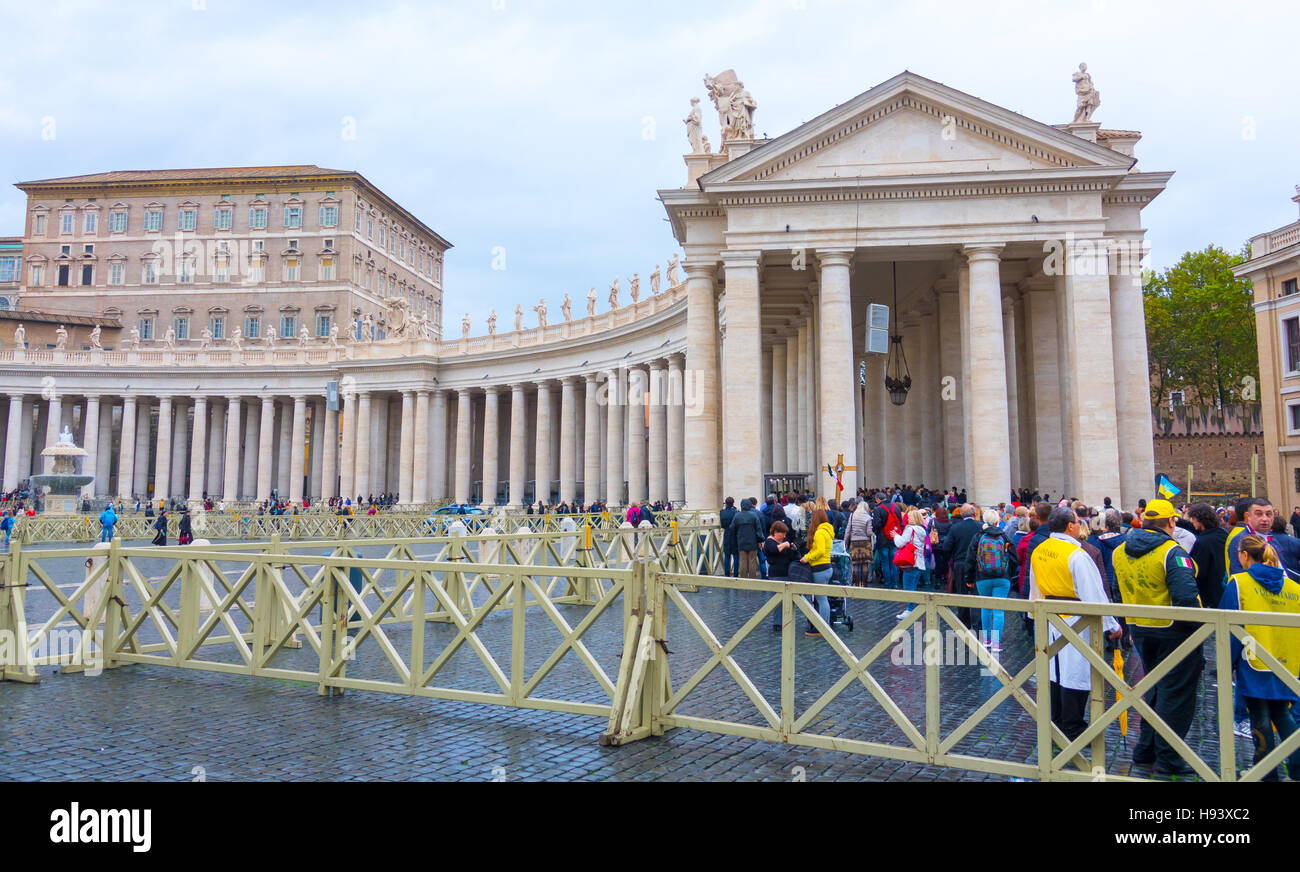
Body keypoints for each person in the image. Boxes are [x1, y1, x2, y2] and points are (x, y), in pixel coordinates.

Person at [1112, 499, 1203, 777]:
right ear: (1171, 523)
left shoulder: (1119, 551)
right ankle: (1170, 757)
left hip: (1140, 628)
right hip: (1174, 631)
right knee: (1176, 695)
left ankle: (1145, 750)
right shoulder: (1172, 552)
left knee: (1154, 689)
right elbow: (1187, 597)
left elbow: (1117, 590)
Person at [1029, 507, 1121, 744]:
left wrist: (1033, 615)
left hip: (1049, 619)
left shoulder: (1039, 550)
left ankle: (1056, 722)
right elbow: (1094, 594)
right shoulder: (1077, 554)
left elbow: (1035, 588)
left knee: (1055, 673)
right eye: (1079, 523)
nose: (1080, 526)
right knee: (1075, 674)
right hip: (1076, 619)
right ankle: (1073, 727)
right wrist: (1112, 625)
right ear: (1070, 526)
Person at [1220, 534, 1300, 781]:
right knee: (1282, 713)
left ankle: (1266, 772)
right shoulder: (1294, 587)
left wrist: (1228, 662)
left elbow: (1227, 626)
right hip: (1288, 658)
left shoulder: (1238, 583)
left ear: (1243, 556)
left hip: (1253, 659)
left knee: (1260, 716)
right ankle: (1297, 768)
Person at [966, 508, 1019, 652]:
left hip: (982, 577)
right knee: (999, 610)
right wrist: (1009, 574)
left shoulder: (978, 537)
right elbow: (1015, 558)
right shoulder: (1005, 537)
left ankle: (987, 640)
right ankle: (996, 644)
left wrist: (969, 578)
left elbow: (970, 559)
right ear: (997, 521)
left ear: (984, 520)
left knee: (985, 608)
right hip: (1002, 577)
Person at [943, 504, 983, 630]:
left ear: (961, 514)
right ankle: (978, 624)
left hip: (961, 564)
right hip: (978, 564)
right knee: (978, 594)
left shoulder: (955, 528)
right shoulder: (981, 526)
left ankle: (964, 624)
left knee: (962, 594)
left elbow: (947, 547)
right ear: (974, 514)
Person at [799, 508, 835, 638]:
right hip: (826, 567)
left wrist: (807, 557)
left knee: (821, 599)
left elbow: (819, 551)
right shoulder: (827, 531)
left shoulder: (819, 532)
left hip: (819, 568)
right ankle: (823, 624)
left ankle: (822, 627)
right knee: (822, 598)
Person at [893, 509, 928, 620]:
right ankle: (912, 608)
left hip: (911, 562)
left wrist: (895, 535)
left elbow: (900, 543)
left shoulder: (910, 529)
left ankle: (909, 610)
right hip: (919, 562)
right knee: (913, 586)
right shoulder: (922, 530)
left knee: (908, 587)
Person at [764, 521, 797, 630]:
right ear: (775, 532)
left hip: (787, 573)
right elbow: (773, 550)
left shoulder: (784, 542)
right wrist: (785, 545)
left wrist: (793, 549)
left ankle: (787, 621)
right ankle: (778, 623)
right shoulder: (769, 542)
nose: (784, 536)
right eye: (782, 534)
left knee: (788, 601)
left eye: (785, 534)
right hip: (776, 574)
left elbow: (791, 556)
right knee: (778, 601)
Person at [732, 498, 764, 579]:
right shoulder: (754, 515)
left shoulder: (737, 516)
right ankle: (752, 580)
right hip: (753, 542)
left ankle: (743, 579)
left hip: (741, 541)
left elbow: (732, 528)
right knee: (752, 561)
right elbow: (758, 530)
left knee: (742, 561)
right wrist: (760, 540)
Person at [845, 500, 874, 586]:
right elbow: (869, 532)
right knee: (865, 564)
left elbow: (848, 530)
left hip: (854, 542)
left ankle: (857, 584)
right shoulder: (868, 518)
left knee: (855, 564)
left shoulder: (852, 515)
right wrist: (873, 534)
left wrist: (845, 542)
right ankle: (864, 584)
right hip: (865, 543)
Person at [720, 497, 739, 577]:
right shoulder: (736, 512)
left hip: (727, 533)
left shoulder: (722, 512)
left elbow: (722, 525)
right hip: (734, 534)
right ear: (733, 503)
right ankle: (735, 573)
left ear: (726, 503)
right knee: (735, 555)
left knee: (727, 555)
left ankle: (727, 573)